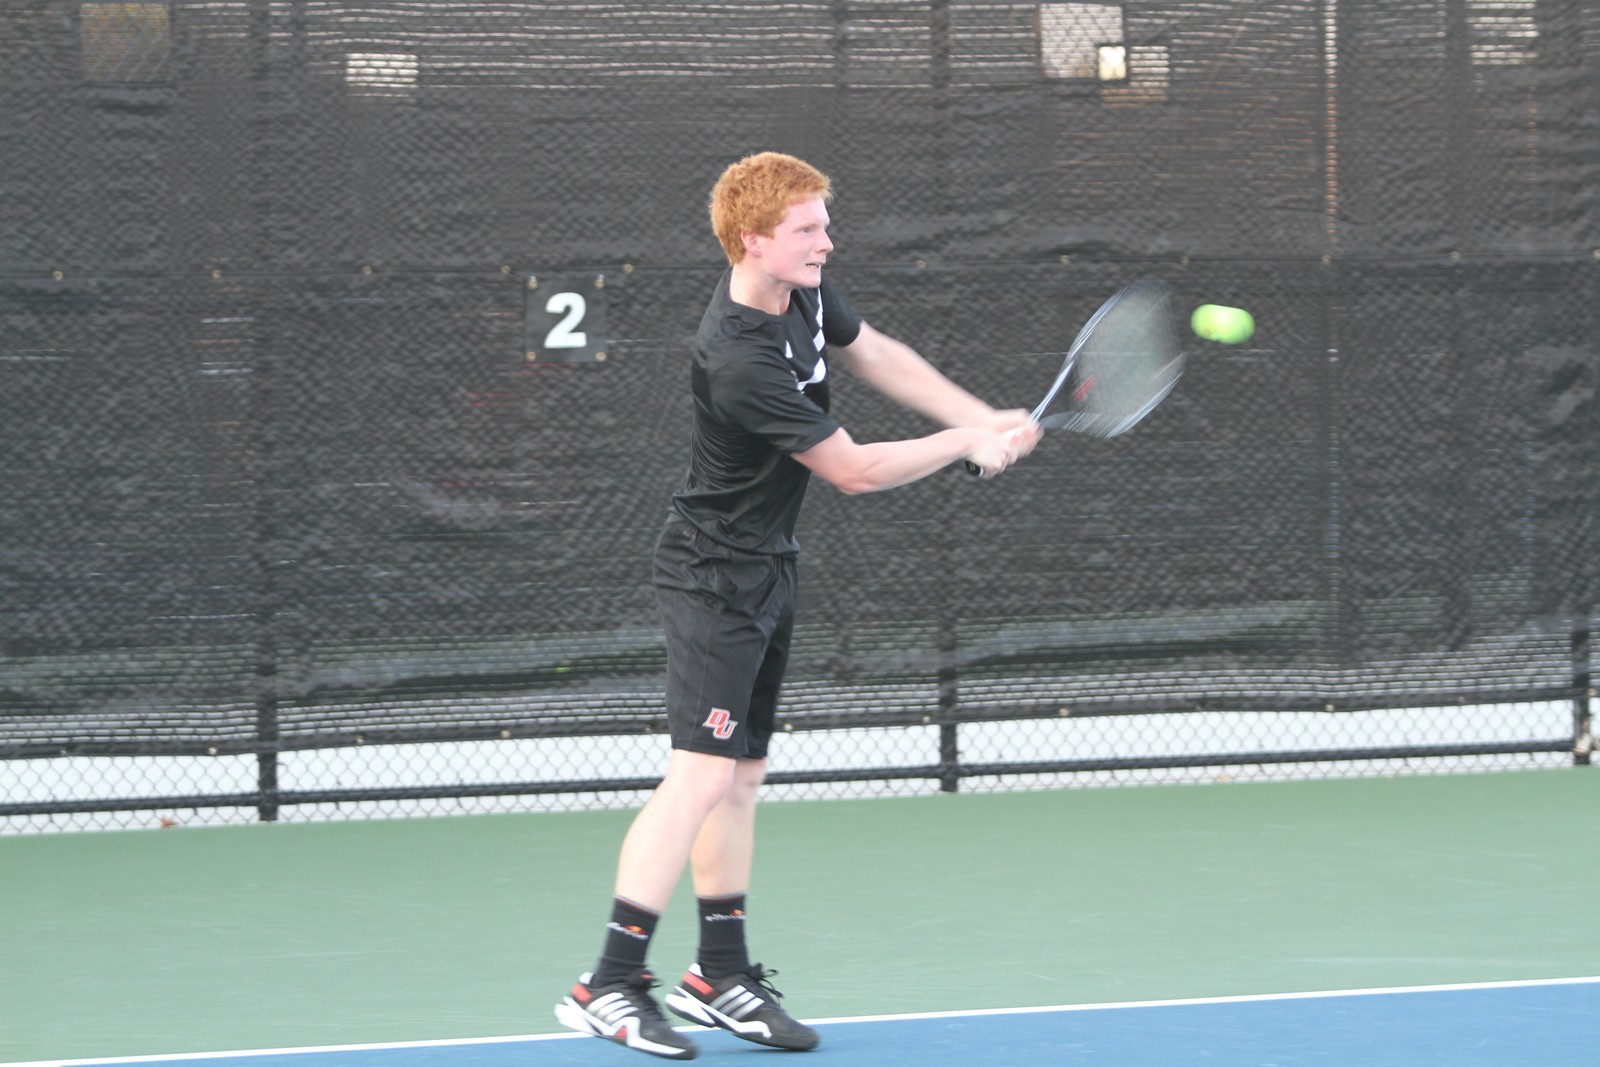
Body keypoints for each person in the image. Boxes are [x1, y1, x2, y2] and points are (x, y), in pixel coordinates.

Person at [553, 151, 1039, 1060]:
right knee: (698, 775)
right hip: (711, 576)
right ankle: (608, 984)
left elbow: (880, 354)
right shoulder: (736, 355)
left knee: (740, 779)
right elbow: (852, 470)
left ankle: (719, 973)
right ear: (754, 241)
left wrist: (986, 417)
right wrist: (962, 441)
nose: (828, 241)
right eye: (809, 229)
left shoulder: (804, 294)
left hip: (768, 565)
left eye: (824, 223)